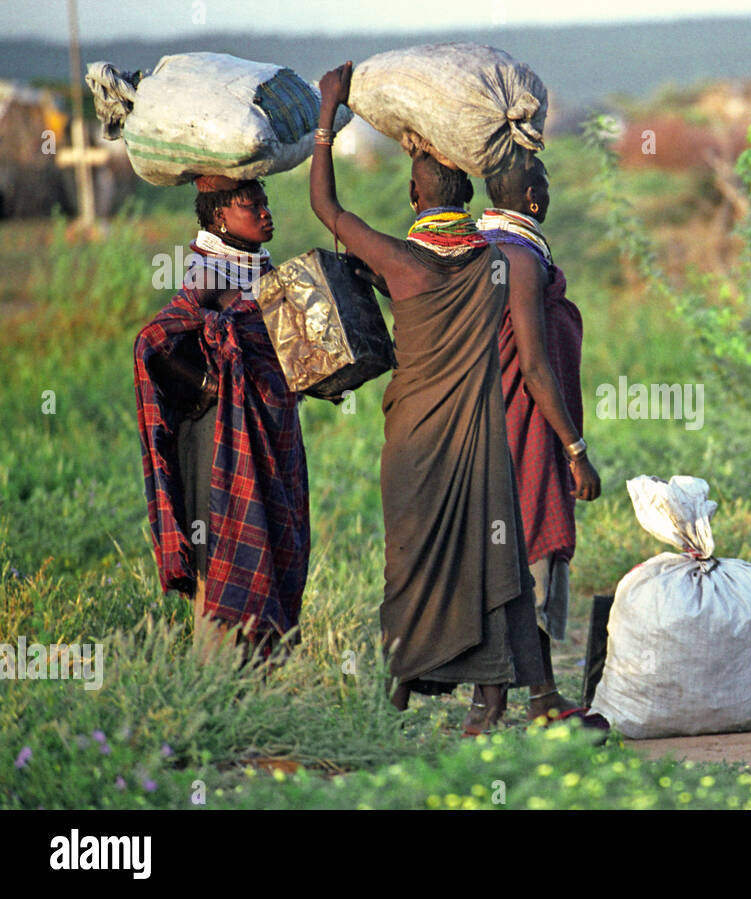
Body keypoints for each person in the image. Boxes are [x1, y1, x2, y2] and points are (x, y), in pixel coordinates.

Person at [309, 62, 545, 733]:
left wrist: (328, 114)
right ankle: (489, 705)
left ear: (416, 198)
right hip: (477, 445)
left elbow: (327, 210)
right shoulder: (497, 264)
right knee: (491, 561)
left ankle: (402, 693)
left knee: (409, 563)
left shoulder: (402, 263)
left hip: (412, 444)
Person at [133, 175, 310, 665]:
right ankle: (214, 685)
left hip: (270, 436)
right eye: (251, 205)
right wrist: (211, 385)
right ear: (219, 218)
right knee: (222, 545)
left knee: (269, 541)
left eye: (265, 201)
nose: (265, 212)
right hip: (219, 442)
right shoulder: (208, 275)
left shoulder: (259, 273)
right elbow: (153, 341)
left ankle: (257, 684)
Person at [478, 155, 603, 725]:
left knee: (504, 560)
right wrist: (575, 450)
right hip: (524, 430)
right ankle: (533, 699)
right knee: (534, 554)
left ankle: (499, 705)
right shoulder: (519, 258)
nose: (549, 193)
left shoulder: (478, 249)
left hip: (481, 430)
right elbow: (533, 364)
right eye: (544, 184)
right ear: (530, 196)